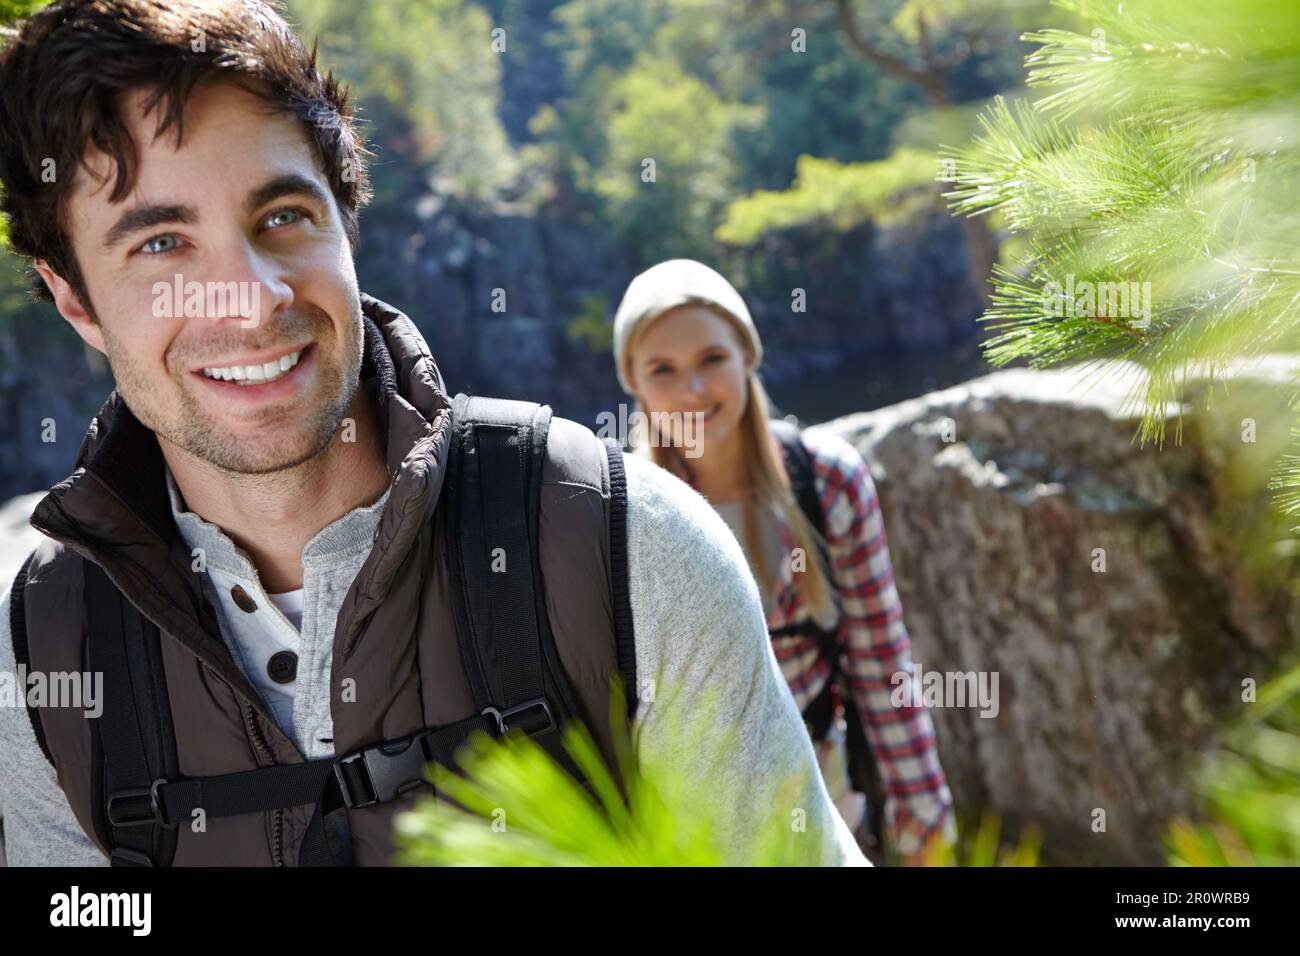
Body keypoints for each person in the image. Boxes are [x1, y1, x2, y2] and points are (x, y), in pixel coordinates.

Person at [0, 0, 865, 867]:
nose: (253, 300)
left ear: (347, 223)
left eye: (283, 218)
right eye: (161, 244)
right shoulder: (41, 653)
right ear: (74, 295)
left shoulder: (629, 548)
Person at [612, 259, 958, 864]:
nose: (693, 390)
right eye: (662, 369)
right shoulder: (622, 514)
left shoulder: (827, 483)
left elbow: (881, 664)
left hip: (822, 808)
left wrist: (924, 824)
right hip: (689, 829)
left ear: (748, 357)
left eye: (712, 360)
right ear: (635, 386)